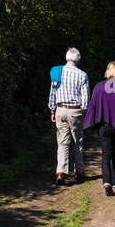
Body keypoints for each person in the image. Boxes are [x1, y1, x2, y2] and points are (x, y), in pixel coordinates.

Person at [84, 60, 115, 196]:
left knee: (106, 154)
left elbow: (92, 106)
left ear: (108, 71)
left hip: (104, 127)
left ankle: (107, 181)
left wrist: (88, 125)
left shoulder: (99, 87)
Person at [48, 48, 90, 185]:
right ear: (78, 60)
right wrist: (84, 112)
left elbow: (52, 93)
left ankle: (60, 172)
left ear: (67, 58)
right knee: (78, 141)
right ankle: (79, 171)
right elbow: (85, 99)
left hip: (60, 109)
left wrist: (52, 110)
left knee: (62, 142)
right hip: (75, 111)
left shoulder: (57, 72)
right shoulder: (82, 75)